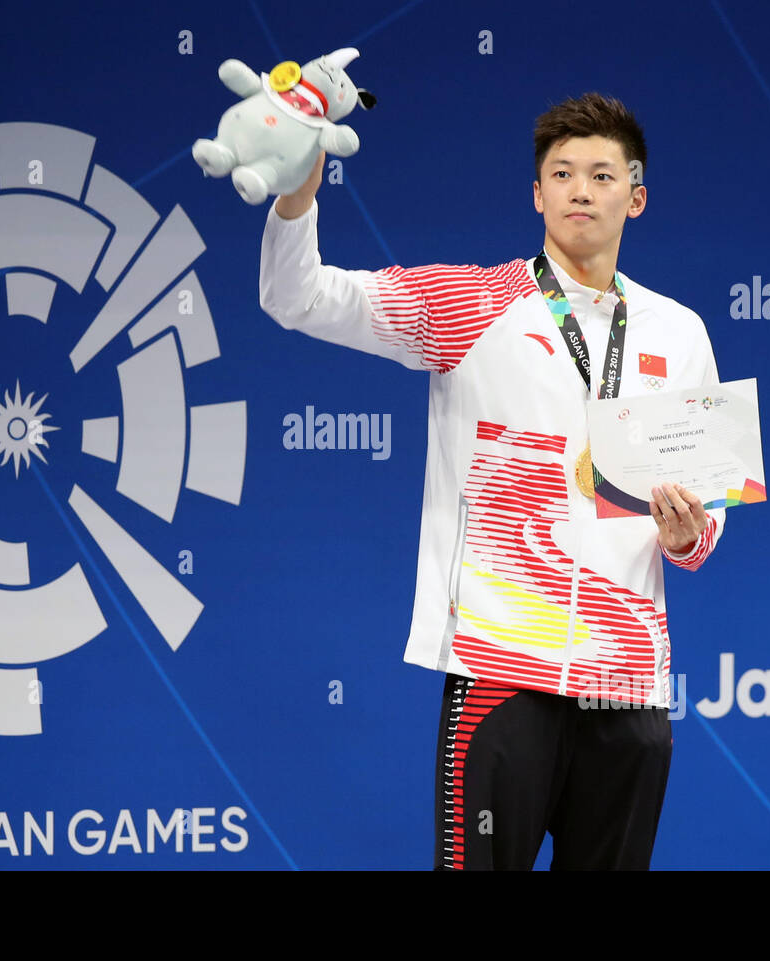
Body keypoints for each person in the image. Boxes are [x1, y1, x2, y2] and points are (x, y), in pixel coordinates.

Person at [258, 92, 725, 870]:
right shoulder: (468, 304)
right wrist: (298, 188)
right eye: (562, 173)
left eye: (602, 174)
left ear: (635, 196)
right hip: (500, 673)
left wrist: (688, 534)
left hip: (629, 686)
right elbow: (296, 296)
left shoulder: (681, 333)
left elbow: (705, 509)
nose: (582, 189)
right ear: (536, 194)